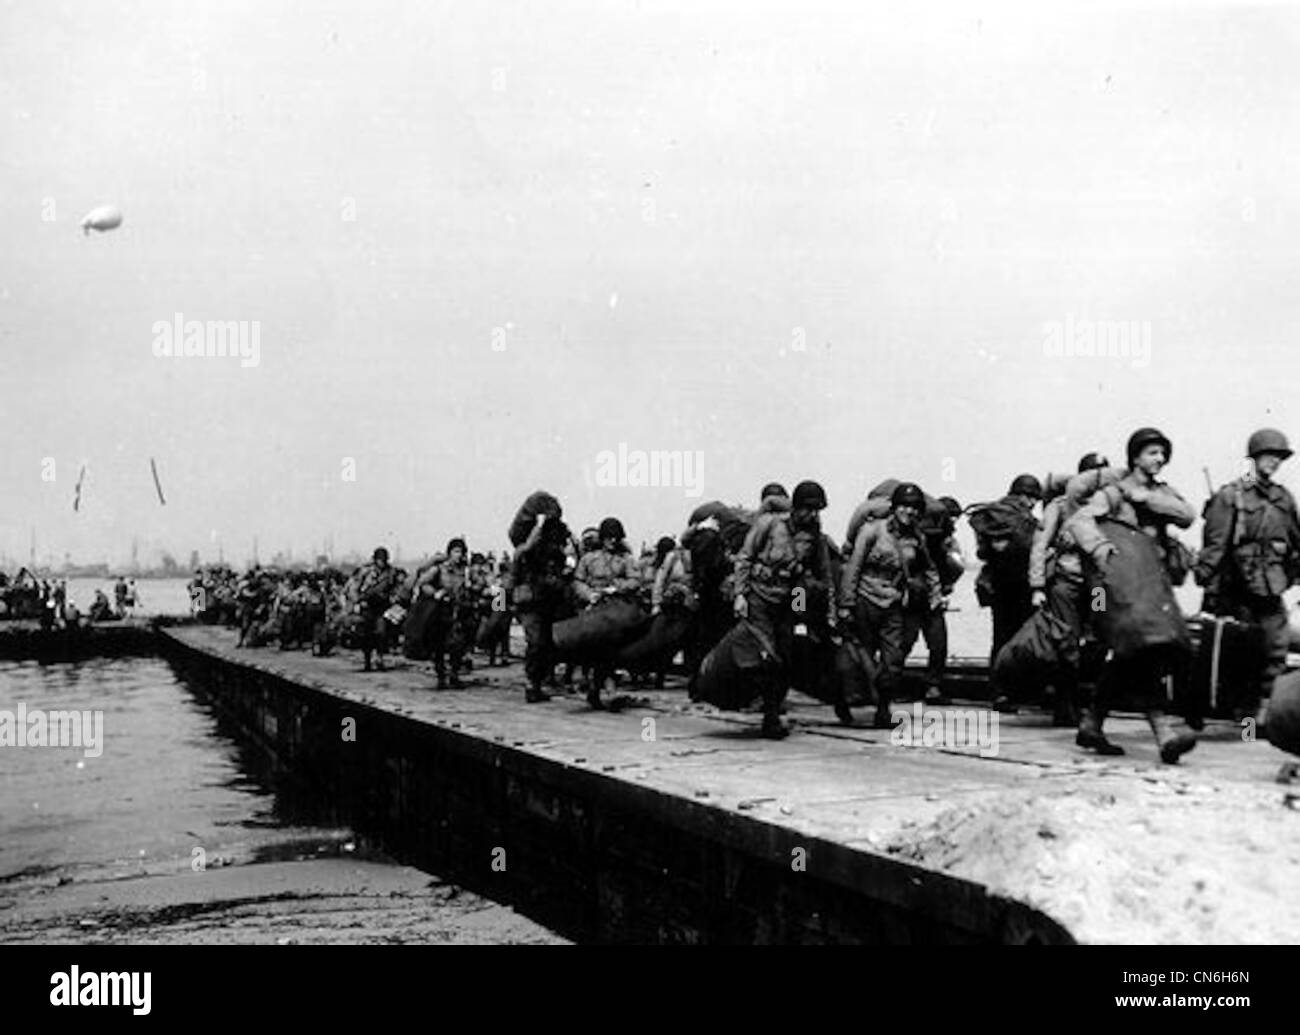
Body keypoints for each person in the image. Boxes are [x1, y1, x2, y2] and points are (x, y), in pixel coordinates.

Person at [1066, 427, 1199, 762]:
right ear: (1135, 457)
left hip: (1151, 586)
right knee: (1141, 653)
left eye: (1162, 453)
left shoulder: (1162, 492)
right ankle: (1164, 734)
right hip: (1116, 587)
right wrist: (1099, 546)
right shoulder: (1113, 493)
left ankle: (1092, 724)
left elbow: (1187, 515)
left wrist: (1147, 498)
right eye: (1152, 452)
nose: (1160, 458)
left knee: (1131, 654)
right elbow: (1081, 521)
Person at [1196, 428, 1300, 731]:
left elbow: (1296, 542)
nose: (1273, 462)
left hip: (1271, 589)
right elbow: (1215, 547)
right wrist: (1208, 584)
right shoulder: (1232, 496)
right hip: (1236, 591)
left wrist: (1292, 576)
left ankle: (1259, 720)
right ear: (1254, 458)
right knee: (1239, 659)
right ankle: (1230, 718)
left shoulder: (1283, 499)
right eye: (1268, 456)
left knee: (1275, 651)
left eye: (1278, 457)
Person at [733, 480, 835, 738]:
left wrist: (804, 610)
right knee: (767, 657)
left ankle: (773, 708)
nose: (813, 515)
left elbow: (823, 577)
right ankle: (770, 715)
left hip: (789, 599)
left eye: (817, 510)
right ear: (796, 508)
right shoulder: (769, 525)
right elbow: (745, 557)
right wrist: (740, 595)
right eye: (808, 509)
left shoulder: (815, 538)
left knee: (786, 656)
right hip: (759, 595)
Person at [840, 482, 941, 728]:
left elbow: (929, 568)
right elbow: (853, 568)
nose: (910, 512)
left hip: (894, 602)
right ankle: (844, 700)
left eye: (915, 508)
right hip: (866, 598)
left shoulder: (917, 537)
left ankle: (883, 710)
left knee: (893, 660)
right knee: (859, 658)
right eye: (905, 506)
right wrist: (846, 604)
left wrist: (935, 595)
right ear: (895, 508)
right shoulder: (872, 531)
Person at [1028, 452, 1111, 730]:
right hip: (1068, 584)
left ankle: (1085, 701)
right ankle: (1066, 705)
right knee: (1067, 642)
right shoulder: (1060, 507)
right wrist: (1037, 586)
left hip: (1098, 588)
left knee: (1100, 638)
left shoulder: (1107, 507)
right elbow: (1040, 545)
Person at [970, 475, 1042, 676]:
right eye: (1033, 498)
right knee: (1025, 637)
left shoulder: (993, 516)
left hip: (998, 585)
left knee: (1001, 636)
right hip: (1022, 585)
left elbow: (982, 553)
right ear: (1026, 496)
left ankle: (999, 690)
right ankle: (1018, 687)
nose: (1034, 503)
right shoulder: (1024, 518)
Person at [574, 517, 643, 709]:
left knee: (609, 650)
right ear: (602, 538)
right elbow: (577, 581)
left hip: (616, 608)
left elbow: (636, 580)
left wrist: (617, 587)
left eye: (616, 537)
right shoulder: (588, 559)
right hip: (593, 607)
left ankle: (606, 689)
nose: (612, 541)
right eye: (609, 537)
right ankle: (597, 687)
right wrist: (589, 594)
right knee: (593, 650)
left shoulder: (627, 559)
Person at [513, 512, 571, 703]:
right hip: (529, 603)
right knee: (536, 642)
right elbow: (518, 560)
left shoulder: (557, 556)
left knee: (545, 644)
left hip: (547, 603)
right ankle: (532, 684)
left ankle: (537, 683)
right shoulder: (529, 553)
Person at [918, 496, 965, 705]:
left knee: (937, 644)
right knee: (931, 643)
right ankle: (932, 687)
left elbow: (955, 568)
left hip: (928, 597)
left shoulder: (943, 542)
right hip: (919, 597)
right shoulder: (921, 537)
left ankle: (932, 686)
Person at [415, 537, 475, 688]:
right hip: (441, 610)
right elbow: (422, 583)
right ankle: (441, 675)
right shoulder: (439, 568)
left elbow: (476, 585)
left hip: (459, 610)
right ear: (449, 553)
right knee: (439, 645)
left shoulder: (465, 571)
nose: (458, 555)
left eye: (460, 552)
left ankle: (454, 674)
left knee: (458, 644)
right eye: (455, 551)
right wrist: (435, 593)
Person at [353, 547, 401, 672]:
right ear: (375, 559)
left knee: (381, 632)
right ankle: (367, 660)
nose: (382, 562)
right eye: (379, 559)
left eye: (384, 559)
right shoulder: (365, 571)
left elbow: (396, 588)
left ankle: (379, 658)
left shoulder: (391, 572)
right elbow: (354, 588)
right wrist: (358, 600)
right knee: (366, 635)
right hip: (367, 606)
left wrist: (393, 598)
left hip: (382, 606)